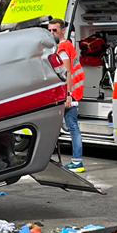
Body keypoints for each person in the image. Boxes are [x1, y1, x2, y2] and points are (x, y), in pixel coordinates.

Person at [47, 19, 85, 172]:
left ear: (62, 31)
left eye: (54, 30)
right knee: (71, 126)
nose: (51, 33)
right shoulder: (66, 45)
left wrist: (68, 95)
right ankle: (76, 161)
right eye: (49, 30)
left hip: (70, 93)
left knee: (73, 127)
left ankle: (77, 162)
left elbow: (67, 72)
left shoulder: (62, 49)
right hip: (72, 92)